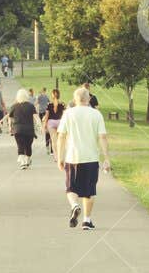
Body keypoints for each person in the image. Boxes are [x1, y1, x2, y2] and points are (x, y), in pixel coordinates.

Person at [56, 86, 110, 230]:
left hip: (72, 157)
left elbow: (61, 136)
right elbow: (102, 137)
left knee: (71, 187)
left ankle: (74, 205)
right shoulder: (96, 114)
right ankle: (86, 220)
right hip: (91, 158)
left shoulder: (68, 114)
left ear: (75, 99)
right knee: (89, 190)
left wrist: (59, 157)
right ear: (89, 99)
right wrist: (106, 158)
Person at [7, 88, 38, 169]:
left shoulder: (14, 106)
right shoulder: (31, 106)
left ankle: (23, 162)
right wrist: (40, 125)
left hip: (18, 130)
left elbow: (10, 117)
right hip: (29, 130)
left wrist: (10, 127)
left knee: (20, 145)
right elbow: (36, 116)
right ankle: (26, 160)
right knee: (28, 145)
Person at [42, 88, 65, 157]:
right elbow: (64, 115)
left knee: (53, 140)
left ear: (52, 95)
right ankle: (60, 155)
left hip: (51, 123)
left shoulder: (49, 104)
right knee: (60, 140)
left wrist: (44, 125)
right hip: (60, 122)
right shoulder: (62, 104)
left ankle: (56, 156)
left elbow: (47, 115)